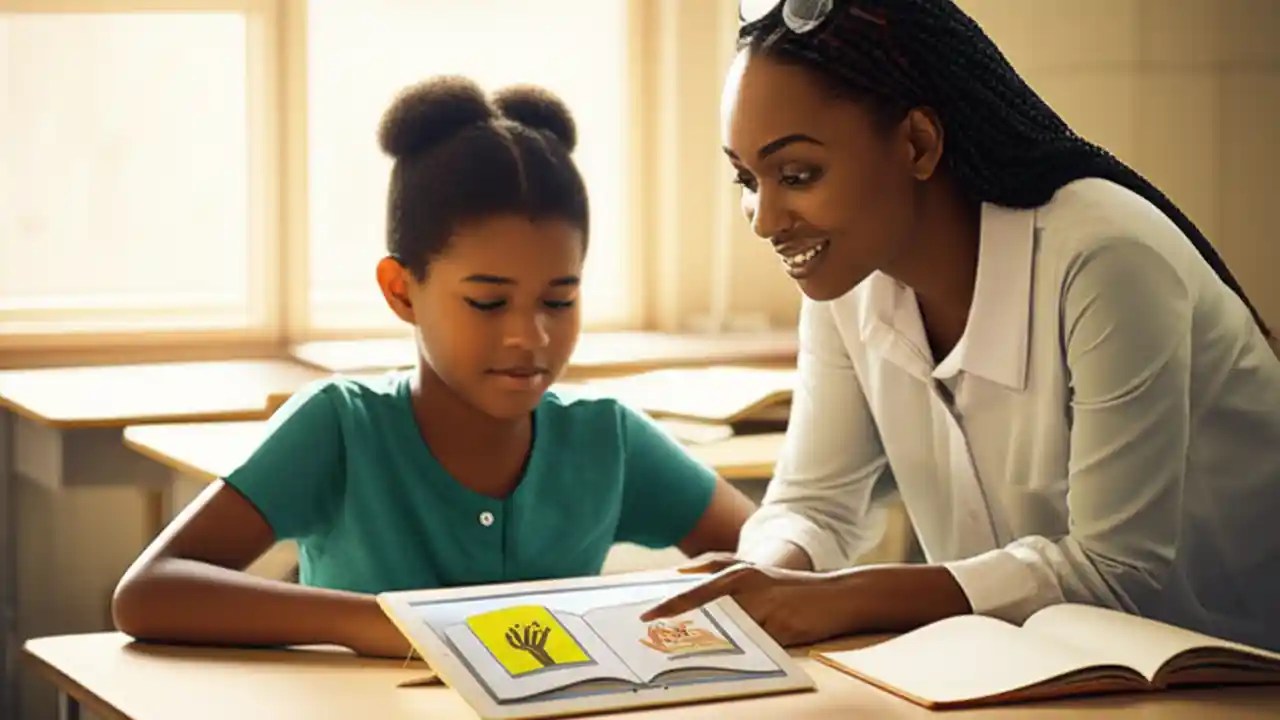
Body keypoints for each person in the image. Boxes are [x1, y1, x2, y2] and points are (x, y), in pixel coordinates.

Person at [643, 0, 1280, 652]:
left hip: (1234, 674)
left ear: (918, 143)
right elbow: (813, 504)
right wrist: (763, 575)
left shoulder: (1106, 258)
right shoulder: (847, 281)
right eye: (747, 179)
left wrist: (841, 598)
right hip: (1040, 672)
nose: (763, 219)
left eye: (796, 175)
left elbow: (1117, 574)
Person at [112, 77, 755, 658]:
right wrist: (389, 624)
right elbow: (147, 594)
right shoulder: (342, 428)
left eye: (559, 300)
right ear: (402, 291)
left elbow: (772, 559)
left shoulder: (606, 437)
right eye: (487, 302)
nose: (529, 335)